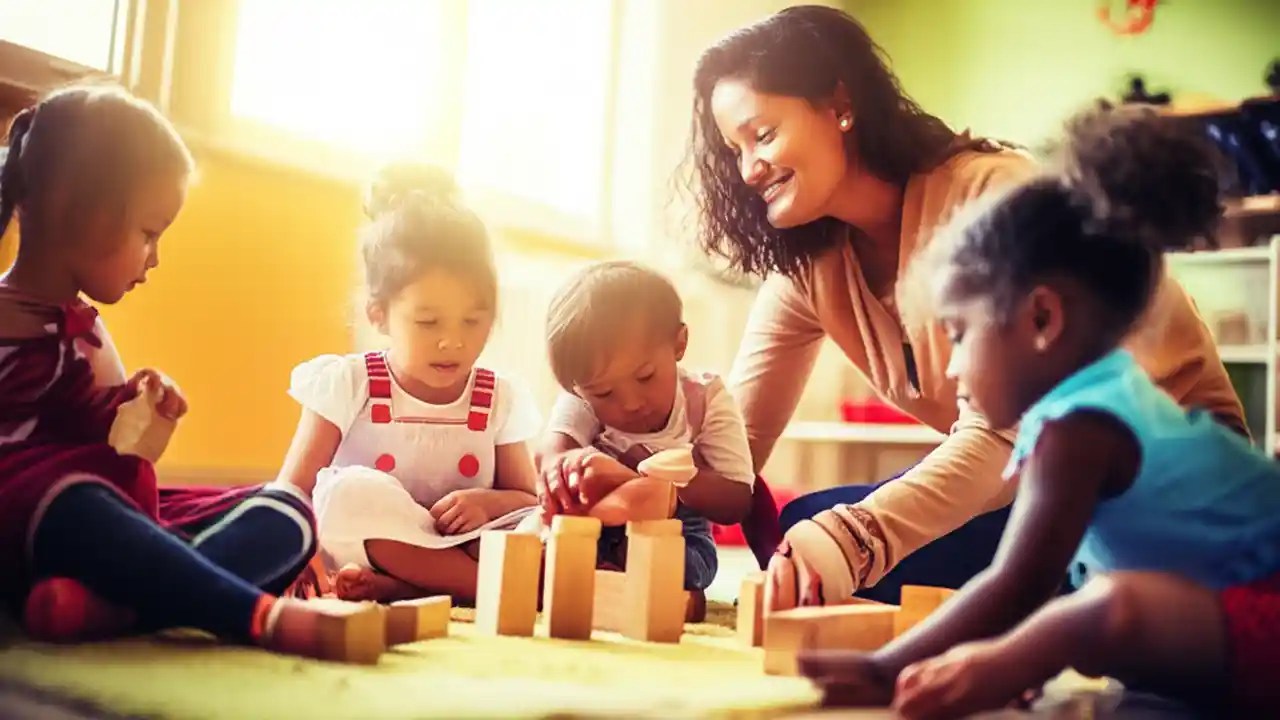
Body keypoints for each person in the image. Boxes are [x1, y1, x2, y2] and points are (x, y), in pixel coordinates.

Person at [686, 4, 1246, 605]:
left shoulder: (995, 199)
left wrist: (859, 538)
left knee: (825, 539)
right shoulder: (811, 265)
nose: (748, 169)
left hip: (1150, 483)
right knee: (803, 530)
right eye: (735, 148)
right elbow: (733, 452)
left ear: (838, 105)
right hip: (1025, 481)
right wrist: (643, 497)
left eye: (762, 135)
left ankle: (1094, 593)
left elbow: (1006, 435)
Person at [800, 105, 1280, 719]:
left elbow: (1015, 584)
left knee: (1108, 608)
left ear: (1042, 320)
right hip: (1230, 622)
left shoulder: (1079, 426)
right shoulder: (1107, 401)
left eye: (960, 333)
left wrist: (884, 669)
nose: (949, 370)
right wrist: (1017, 655)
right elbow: (1053, 573)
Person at [0, 84, 354, 661]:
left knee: (288, 510)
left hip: (130, 518)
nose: (155, 258)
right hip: (44, 518)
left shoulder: (85, 327)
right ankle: (252, 614)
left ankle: (115, 606)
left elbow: (104, 437)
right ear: (77, 208)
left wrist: (134, 406)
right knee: (77, 503)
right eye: (148, 233)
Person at [275, 165, 541, 604]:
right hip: (370, 539)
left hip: (462, 543)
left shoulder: (500, 398)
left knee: (546, 525)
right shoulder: (348, 383)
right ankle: (486, 588)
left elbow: (526, 500)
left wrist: (487, 504)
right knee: (345, 496)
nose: (452, 340)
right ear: (378, 314)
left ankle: (411, 587)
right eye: (427, 321)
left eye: (473, 321)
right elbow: (293, 490)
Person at [536, 261, 756, 618]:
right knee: (533, 548)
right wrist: (567, 472)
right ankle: (601, 577)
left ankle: (649, 585)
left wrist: (671, 479)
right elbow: (549, 456)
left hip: (673, 528)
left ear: (679, 343)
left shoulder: (705, 400)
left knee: (691, 564)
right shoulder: (583, 393)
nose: (631, 403)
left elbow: (737, 499)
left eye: (646, 376)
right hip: (593, 522)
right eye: (605, 393)